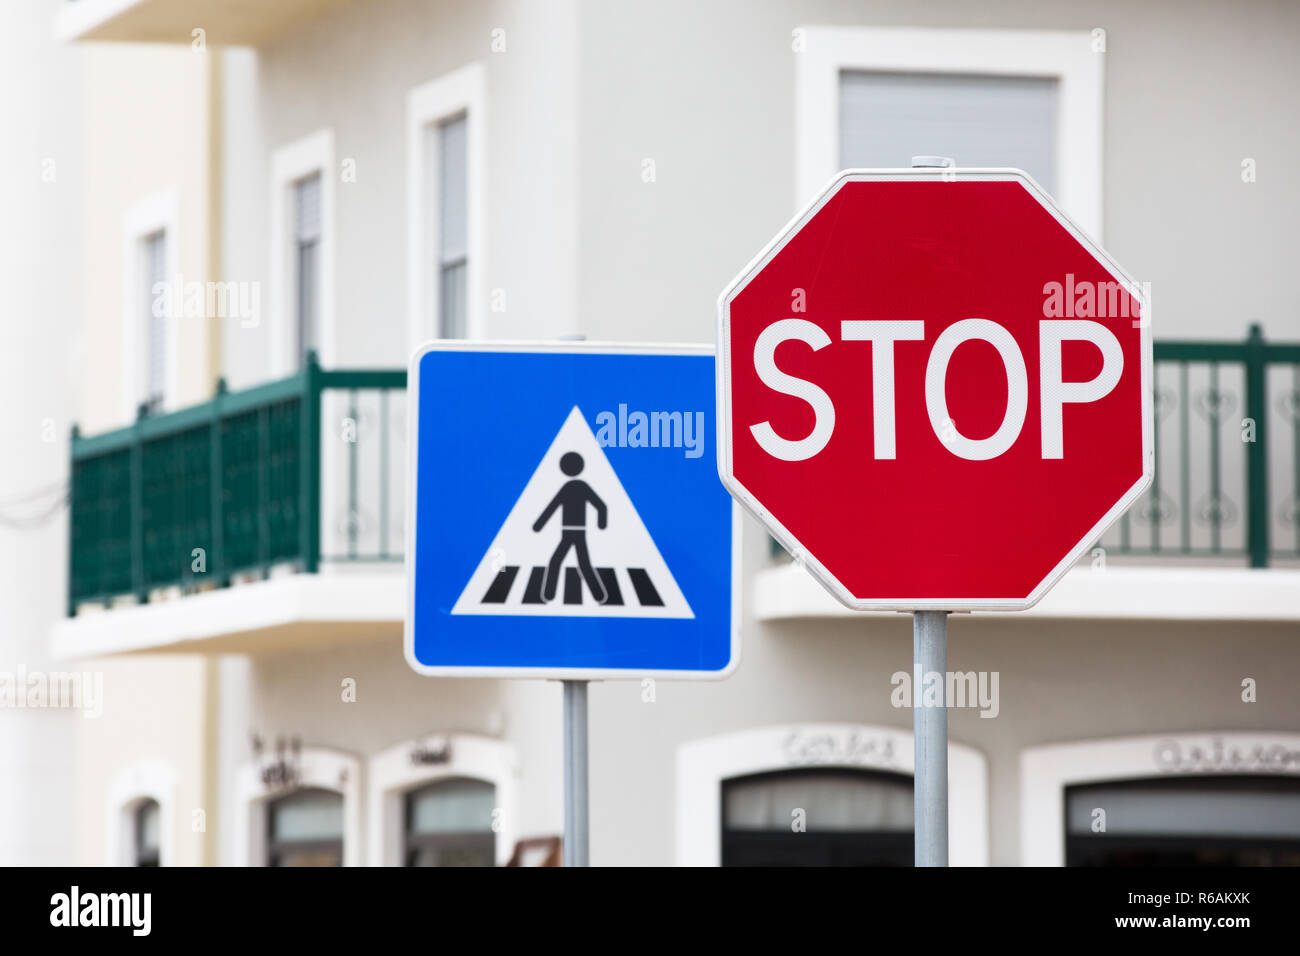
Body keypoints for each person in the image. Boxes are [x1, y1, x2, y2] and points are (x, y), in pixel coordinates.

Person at [532, 451, 608, 603]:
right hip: (573, 532)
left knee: (558, 561)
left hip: (571, 532)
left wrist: (538, 526)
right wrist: (601, 524)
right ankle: (598, 596)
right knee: (579, 563)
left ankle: (549, 594)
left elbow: (552, 507)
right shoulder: (580, 487)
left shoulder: (570, 487)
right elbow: (601, 507)